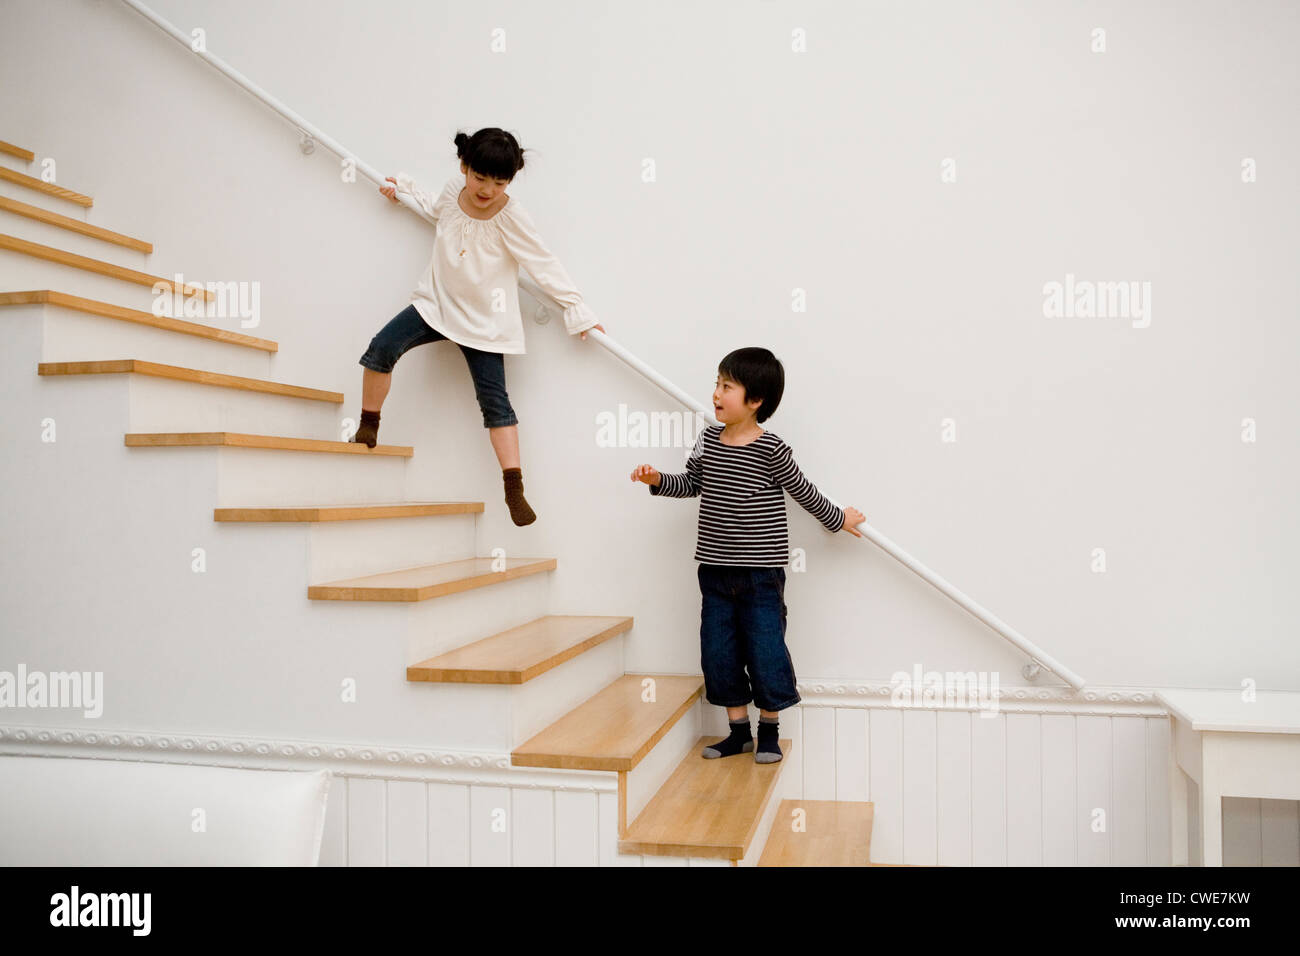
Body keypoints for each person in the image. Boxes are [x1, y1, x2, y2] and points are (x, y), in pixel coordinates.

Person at [353, 127, 605, 526]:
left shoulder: (512, 216)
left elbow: (543, 262)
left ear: (511, 180)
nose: (487, 188)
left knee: (495, 403)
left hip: (486, 322)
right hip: (436, 303)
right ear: (464, 167)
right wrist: (401, 191)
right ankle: (368, 426)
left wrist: (576, 307)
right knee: (380, 349)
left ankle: (513, 487)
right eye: (480, 177)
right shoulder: (454, 190)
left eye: (499, 181)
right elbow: (435, 209)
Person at [630, 348, 864, 762]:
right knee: (718, 651)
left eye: (727, 386)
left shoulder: (771, 449)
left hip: (760, 575)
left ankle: (769, 729)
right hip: (715, 572)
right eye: (717, 383)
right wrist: (657, 480)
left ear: (755, 400)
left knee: (765, 649)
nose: (716, 393)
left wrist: (837, 518)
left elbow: (804, 492)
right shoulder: (709, 440)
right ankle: (737, 731)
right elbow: (690, 483)